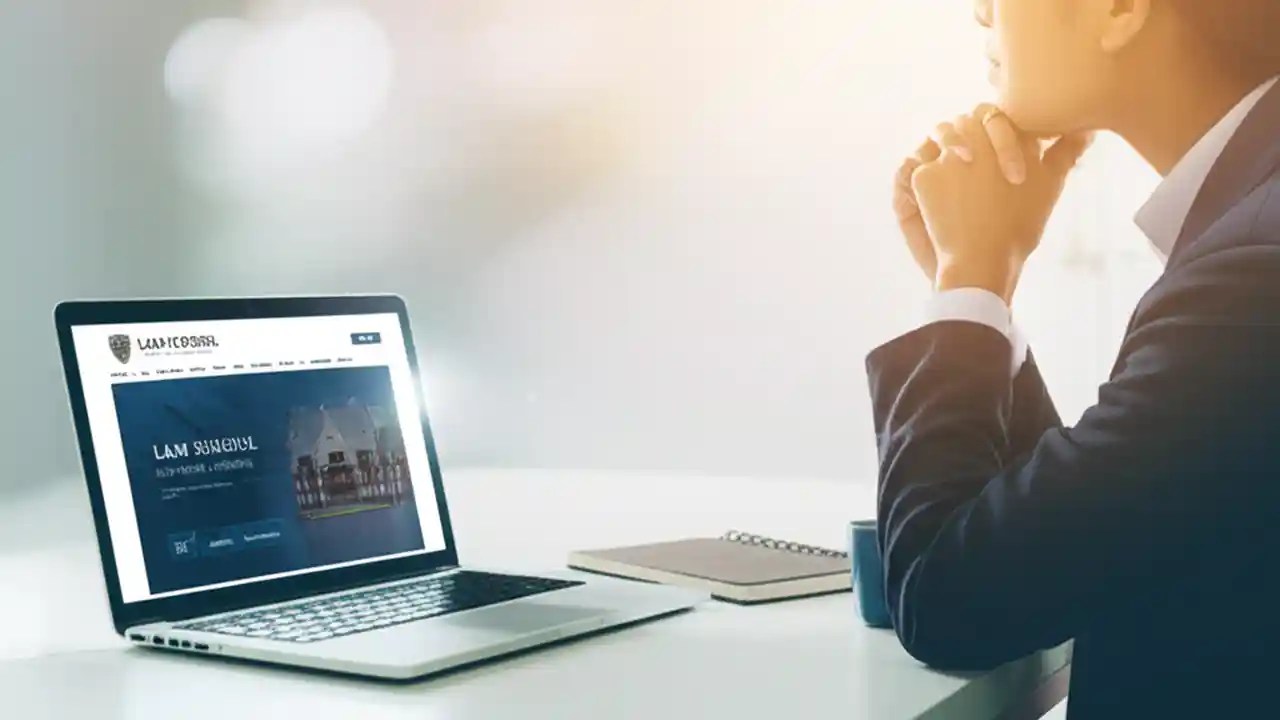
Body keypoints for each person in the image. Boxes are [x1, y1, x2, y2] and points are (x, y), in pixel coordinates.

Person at [868, 1, 1280, 717]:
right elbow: (1078, 547)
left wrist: (969, 279)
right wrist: (986, 292)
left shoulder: (1251, 274)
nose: (980, 12)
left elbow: (951, 602)